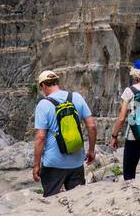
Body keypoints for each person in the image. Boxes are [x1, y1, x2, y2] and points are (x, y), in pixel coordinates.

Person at [32, 69, 97, 197]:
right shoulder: (76, 97)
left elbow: (40, 137)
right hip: (77, 162)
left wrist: (36, 165)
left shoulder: (43, 104)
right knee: (78, 200)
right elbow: (92, 126)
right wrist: (91, 150)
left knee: (51, 201)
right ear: (57, 82)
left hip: (53, 163)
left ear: (43, 85)